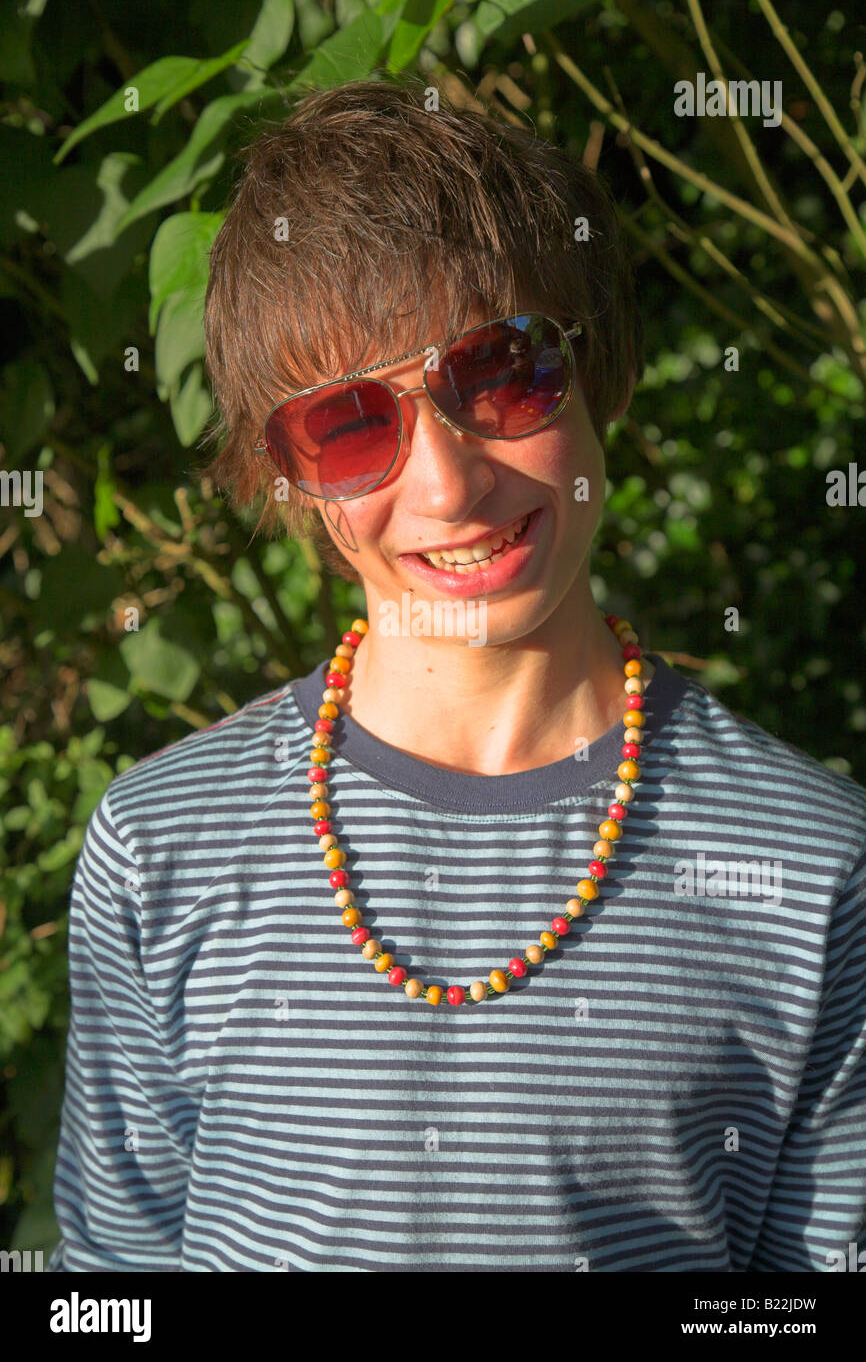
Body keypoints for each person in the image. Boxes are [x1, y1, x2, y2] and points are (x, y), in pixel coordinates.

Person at [48, 79, 865, 1273]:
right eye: (346, 423)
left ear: (601, 370)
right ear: (285, 476)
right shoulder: (163, 845)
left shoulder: (808, 867)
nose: (445, 487)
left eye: (499, 372)